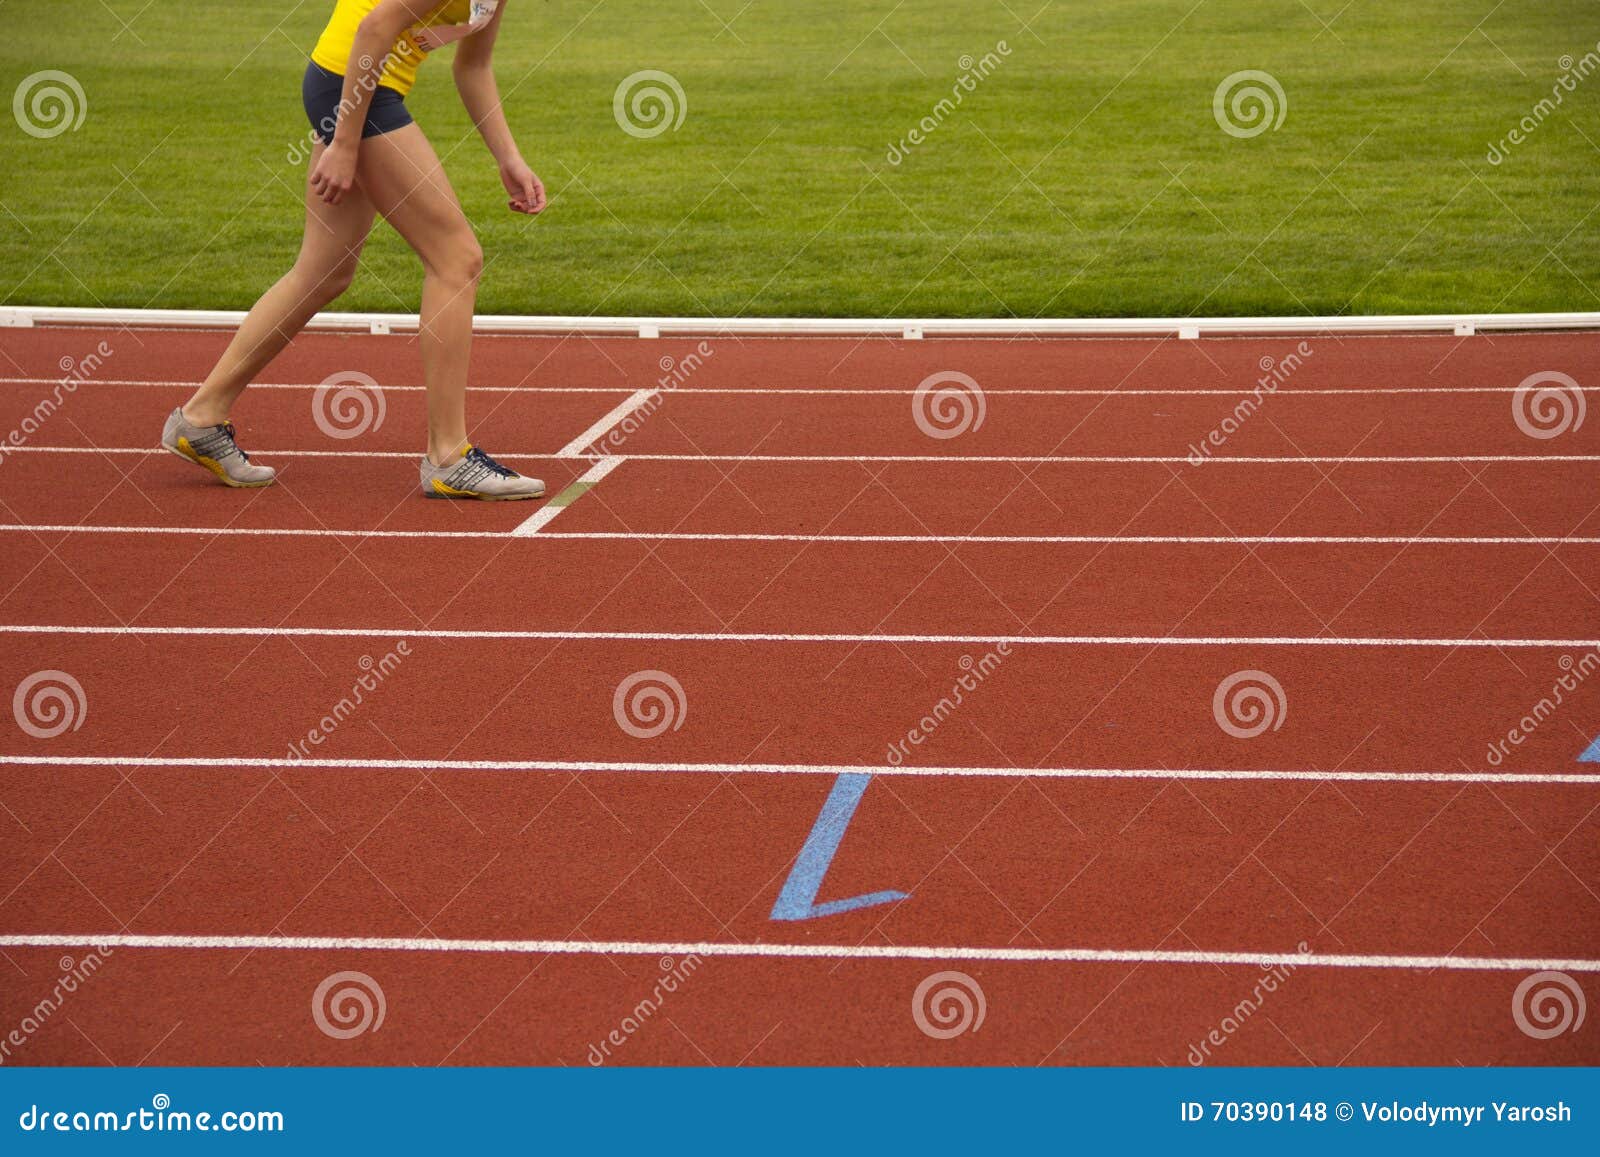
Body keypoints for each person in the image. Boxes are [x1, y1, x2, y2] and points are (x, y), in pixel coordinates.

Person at [162, 0, 547, 500]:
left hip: (347, 89)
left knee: (324, 270)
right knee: (457, 258)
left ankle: (201, 417)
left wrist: (508, 159)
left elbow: (473, 65)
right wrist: (343, 142)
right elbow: (374, 28)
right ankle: (448, 457)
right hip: (354, 88)